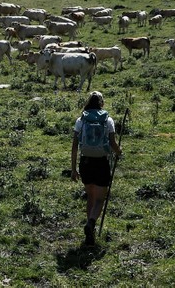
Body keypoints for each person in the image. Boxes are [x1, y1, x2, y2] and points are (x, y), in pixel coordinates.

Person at [71, 90, 122, 246]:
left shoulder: (81, 120)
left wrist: (73, 169)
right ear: (102, 103)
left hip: (85, 162)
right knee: (100, 199)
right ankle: (91, 223)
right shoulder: (108, 120)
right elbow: (112, 144)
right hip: (101, 162)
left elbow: (74, 146)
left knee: (90, 197)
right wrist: (119, 152)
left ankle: (89, 233)